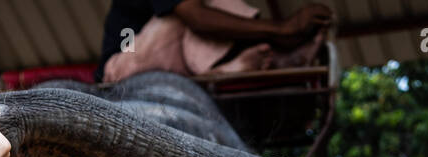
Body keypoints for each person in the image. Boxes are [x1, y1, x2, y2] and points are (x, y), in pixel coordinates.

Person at [95, 0, 332, 85]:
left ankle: (225, 69)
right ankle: (229, 69)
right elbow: (197, 19)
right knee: (196, 11)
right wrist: (282, 28)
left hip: (167, 62)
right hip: (120, 72)